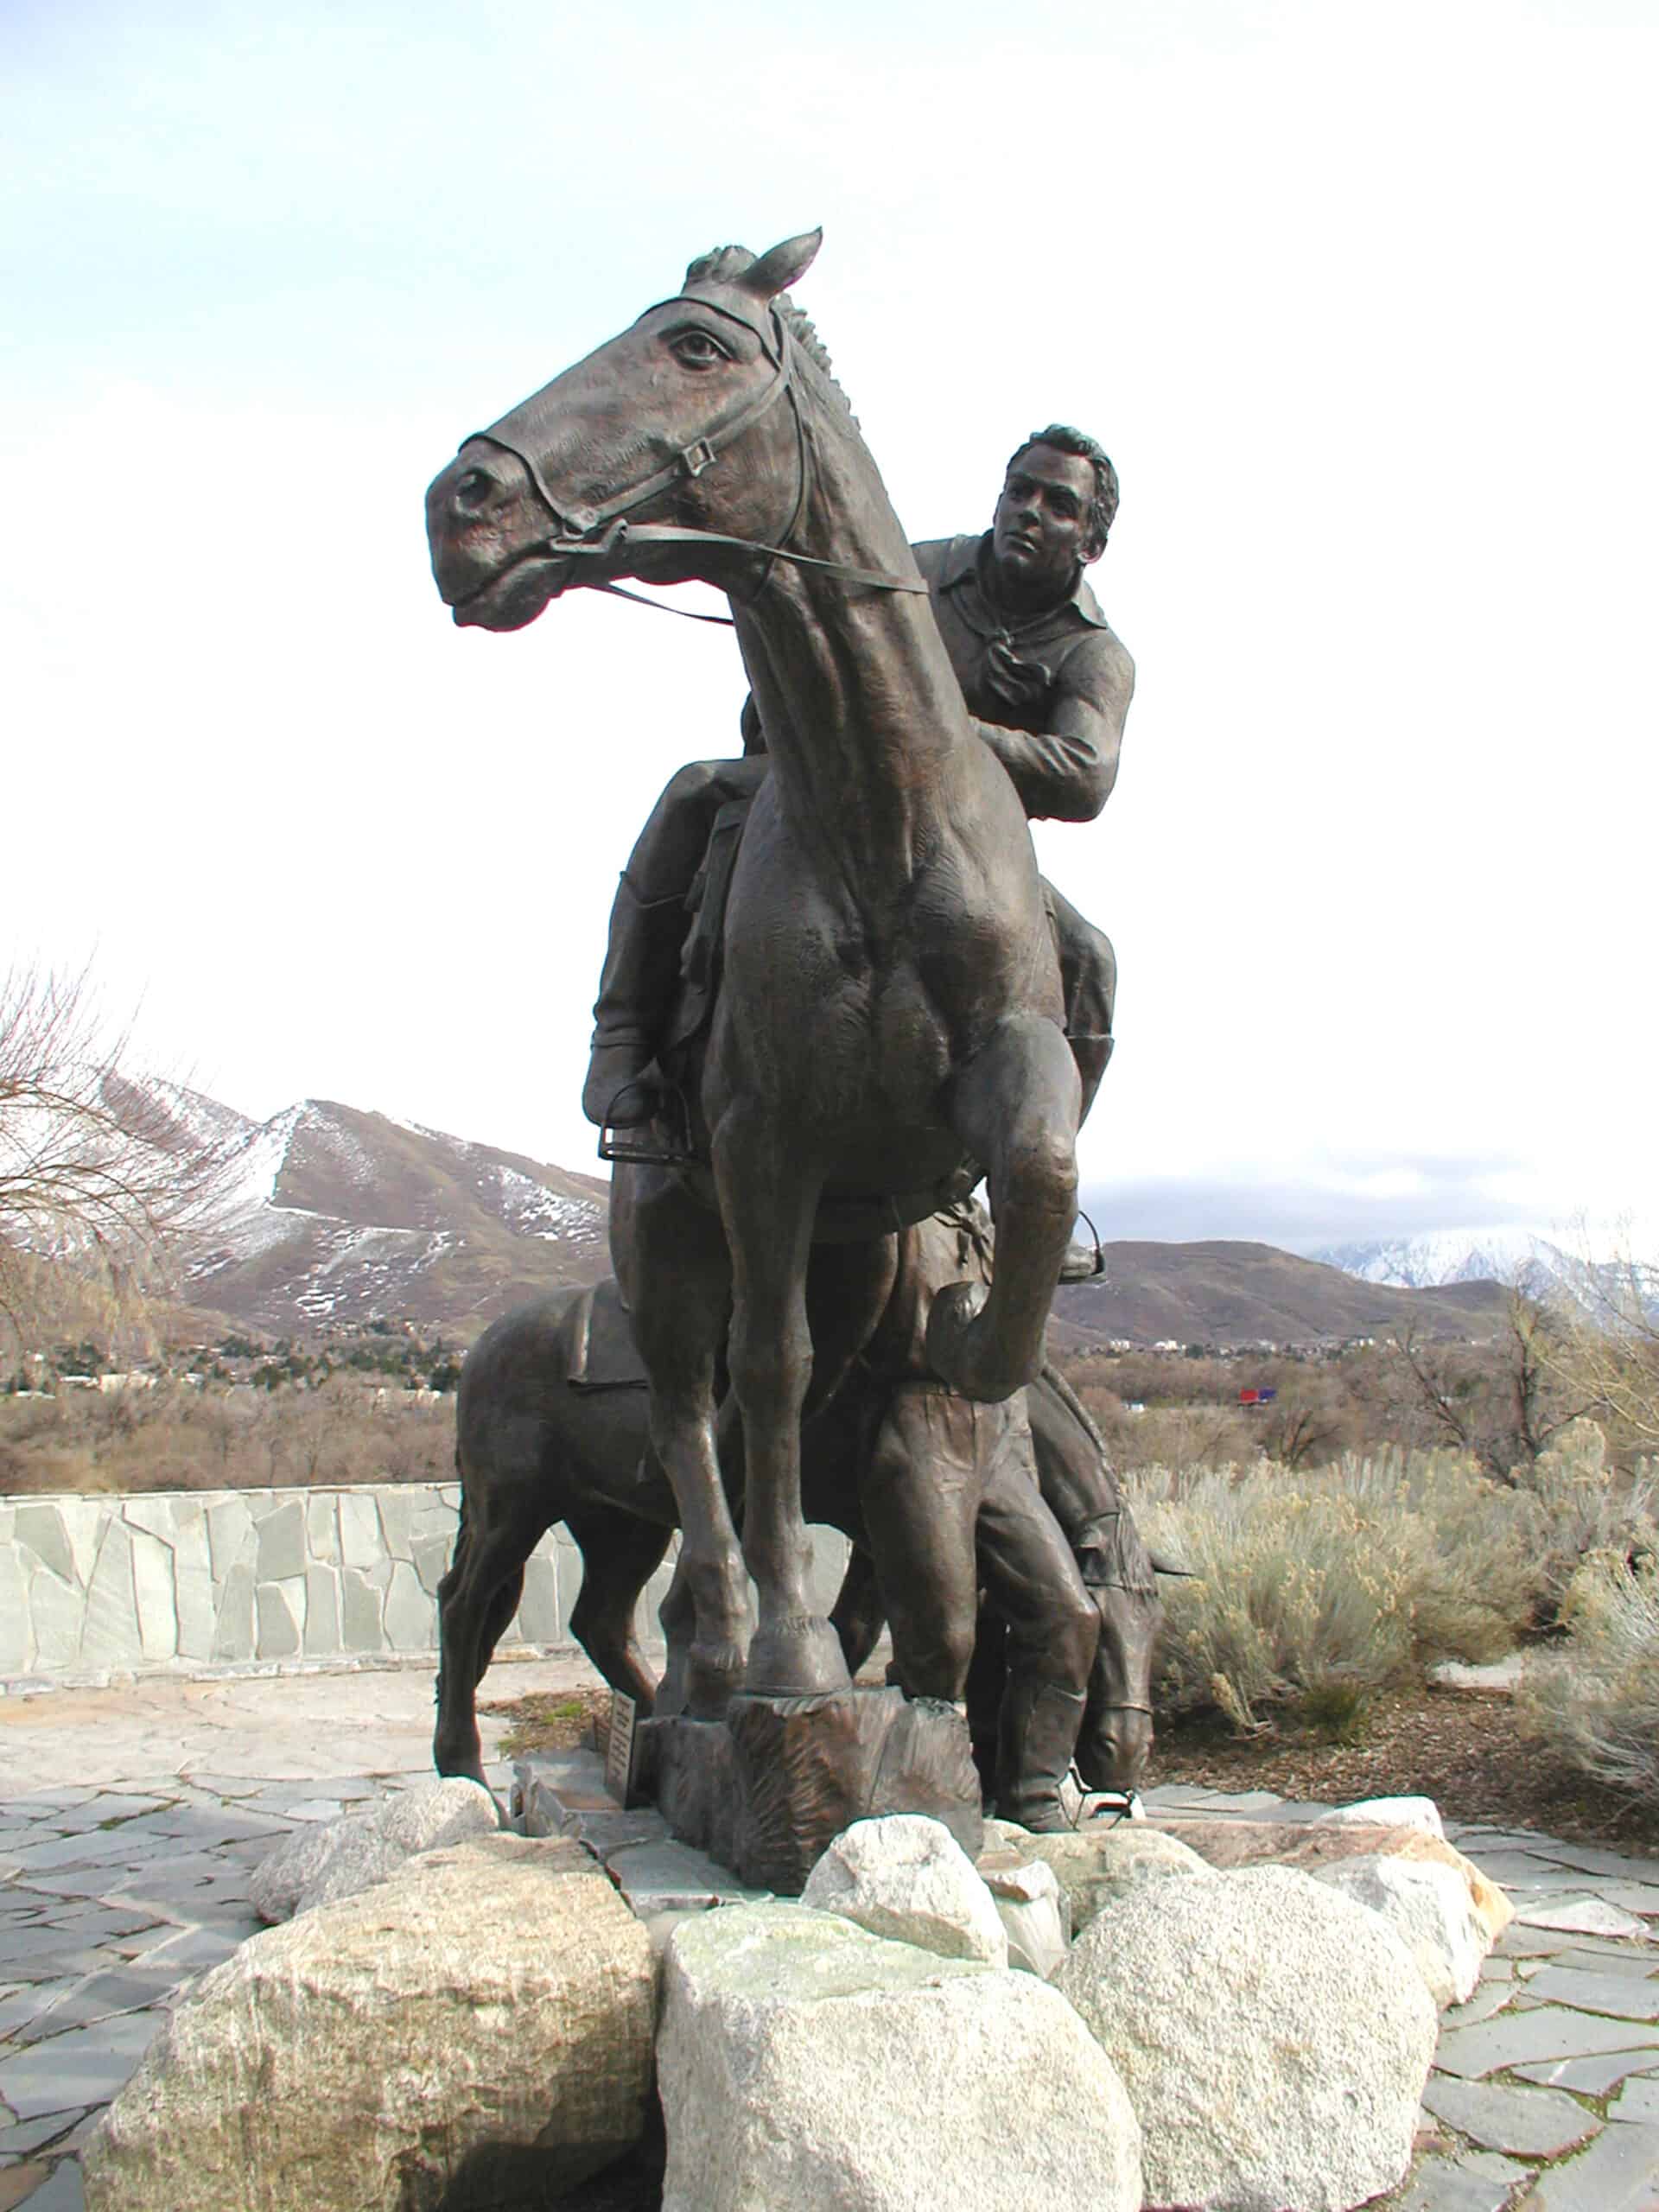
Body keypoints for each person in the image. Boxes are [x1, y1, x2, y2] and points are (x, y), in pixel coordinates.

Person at [582, 424, 1135, 1133]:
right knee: (697, 789)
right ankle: (622, 1036)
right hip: (825, 792)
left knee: (1091, 961)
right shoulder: (911, 574)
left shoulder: (1094, 654)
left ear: (1090, 542)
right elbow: (800, 655)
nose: (1028, 511)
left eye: (1058, 504)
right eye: (1018, 491)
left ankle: (1040, 1180)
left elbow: (1085, 776)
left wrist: (954, 732)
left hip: (966, 858)